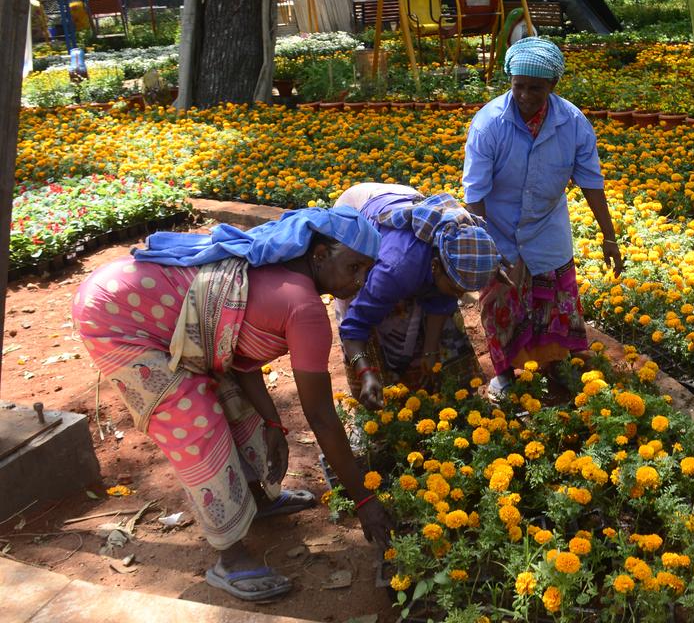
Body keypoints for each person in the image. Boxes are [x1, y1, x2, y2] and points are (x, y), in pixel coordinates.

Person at [71, 208, 394, 603]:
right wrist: (364, 499)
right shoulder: (305, 308)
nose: (359, 282)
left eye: (367, 271)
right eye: (354, 267)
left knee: (237, 403)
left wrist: (273, 425)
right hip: (120, 316)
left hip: (130, 292)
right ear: (321, 255)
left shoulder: (282, 273)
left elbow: (237, 355)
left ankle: (254, 500)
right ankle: (231, 557)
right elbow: (322, 418)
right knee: (195, 421)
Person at [462, 37, 624, 399]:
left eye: (535, 87)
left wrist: (609, 236)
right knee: (500, 303)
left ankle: (556, 370)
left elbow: (591, 181)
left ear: (553, 86)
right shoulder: (489, 124)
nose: (525, 95)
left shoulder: (572, 122)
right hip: (497, 228)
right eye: (518, 86)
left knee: (554, 307)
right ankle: (505, 375)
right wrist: (500, 253)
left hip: (548, 228)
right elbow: (474, 197)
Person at [332, 184, 502, 407]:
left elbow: (442, 299)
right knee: (386, 324)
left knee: (446, 322)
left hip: (403, 203)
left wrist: (430, 351)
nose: (459, 296)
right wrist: (366, 372)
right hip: (357, 209)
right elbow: (354, 327)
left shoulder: (455, 242)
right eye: (456, 288)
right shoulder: (395, 269)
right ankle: (385, 404)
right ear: (434, 266)